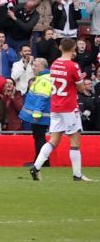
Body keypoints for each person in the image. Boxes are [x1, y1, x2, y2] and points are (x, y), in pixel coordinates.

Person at [28, 37, 91, 182]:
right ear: (74, 48)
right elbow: (81, 88)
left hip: (55, 107)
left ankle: (36, 167)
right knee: (75, 140)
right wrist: (79, 81)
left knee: (53, 140)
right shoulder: (73, 66)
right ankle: (77, 175)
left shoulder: (54, 64)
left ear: (60, 48)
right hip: (69, 107)